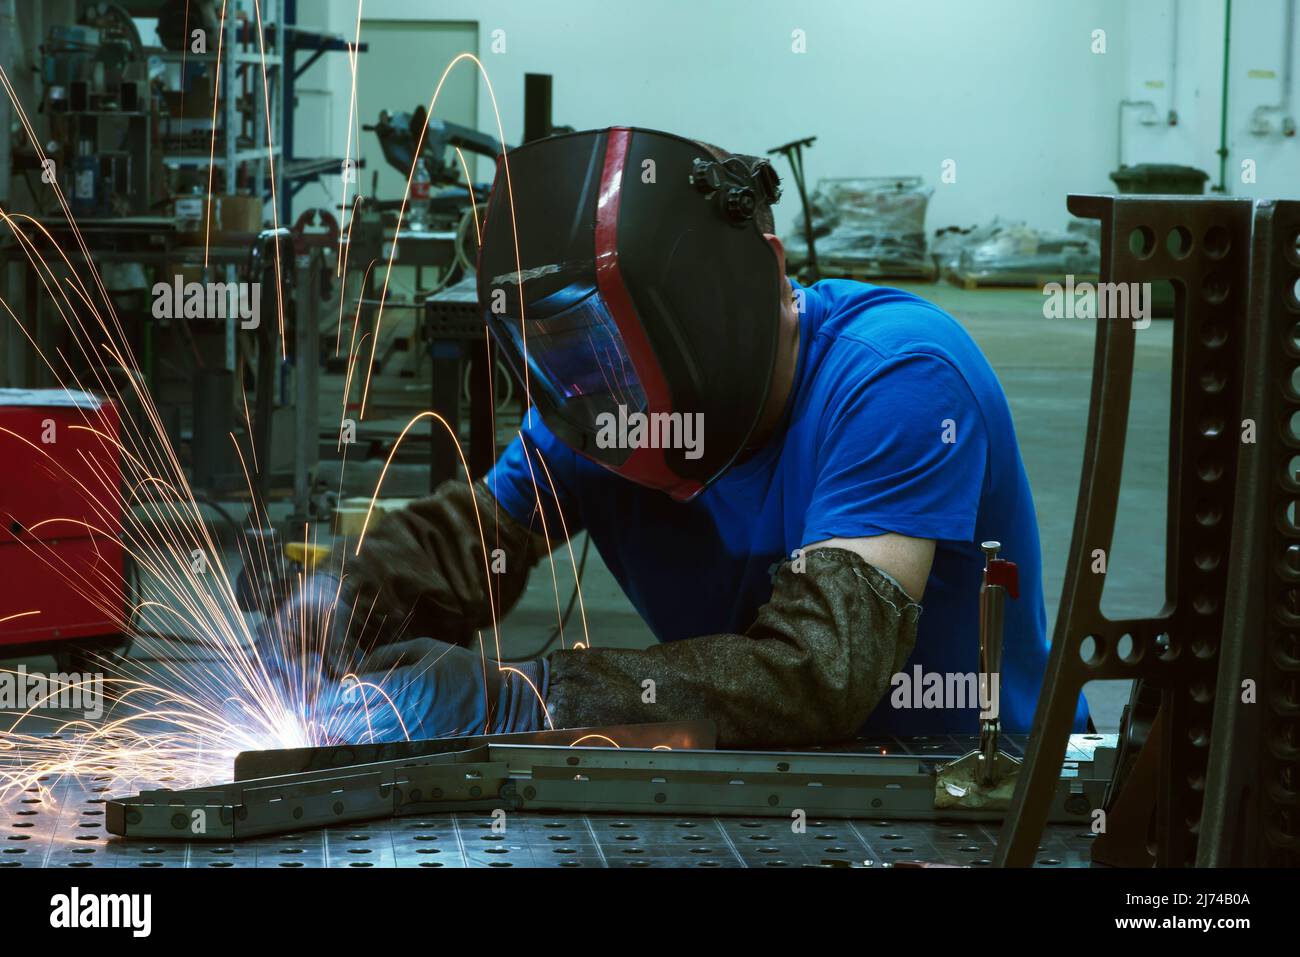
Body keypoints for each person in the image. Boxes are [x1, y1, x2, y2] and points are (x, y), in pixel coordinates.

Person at [313, 126, 1088, 747]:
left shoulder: (898, 378)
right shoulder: (594, 401)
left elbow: (818, 673)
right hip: (757, 780)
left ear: (766, 278)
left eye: (637, 354)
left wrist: (532, 699)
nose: (622, 401)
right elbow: (474, 544)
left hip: (971, 795)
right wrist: (341, 605)